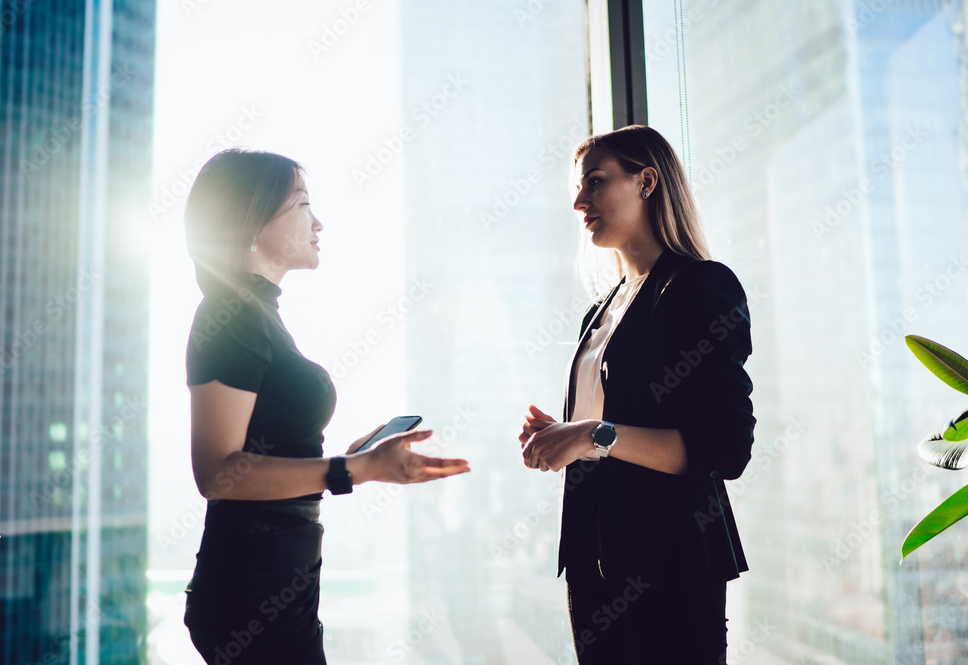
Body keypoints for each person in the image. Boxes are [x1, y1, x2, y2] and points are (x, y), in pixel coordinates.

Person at [181, 148, 470, 664]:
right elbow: (219, 474)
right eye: (301, 205)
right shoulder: (230, 314)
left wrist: (358, 456)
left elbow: (268, 447)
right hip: (250, 592)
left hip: (279, 582)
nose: (318, 222)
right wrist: (357, 468)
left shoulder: (256, 313)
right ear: (251, 218)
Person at [519, 125, 754, 663]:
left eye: (595, 182)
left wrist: (593, 434)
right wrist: (561, 436)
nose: (580, 201)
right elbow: (612, 431)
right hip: (592, 563)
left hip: (669, 567)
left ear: (647, 182)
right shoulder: (600, 311)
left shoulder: (701, 287)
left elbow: (726, 447)